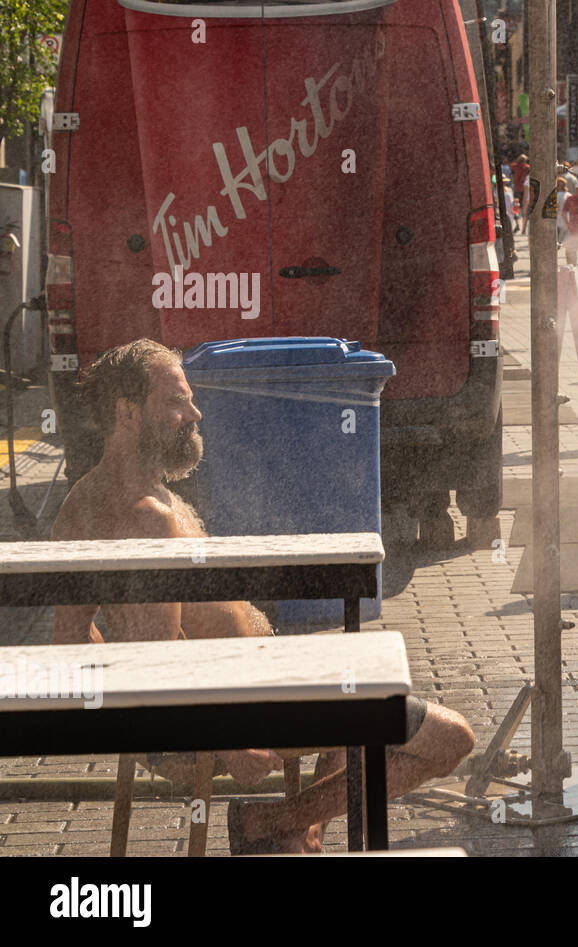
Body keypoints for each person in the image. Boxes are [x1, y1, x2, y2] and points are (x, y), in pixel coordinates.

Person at [51, 339, 475, 853]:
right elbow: (154, 668)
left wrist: (117, 712)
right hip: (248, 707)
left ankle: (292, 828)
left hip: (255, 688)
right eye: (176, 402)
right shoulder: (145, 516)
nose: (195, 411)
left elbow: (71, 637)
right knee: (450, 739)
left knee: (355, 673)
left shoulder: (85, 498)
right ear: (127, 413)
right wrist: (224, 741)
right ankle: (273, 822)